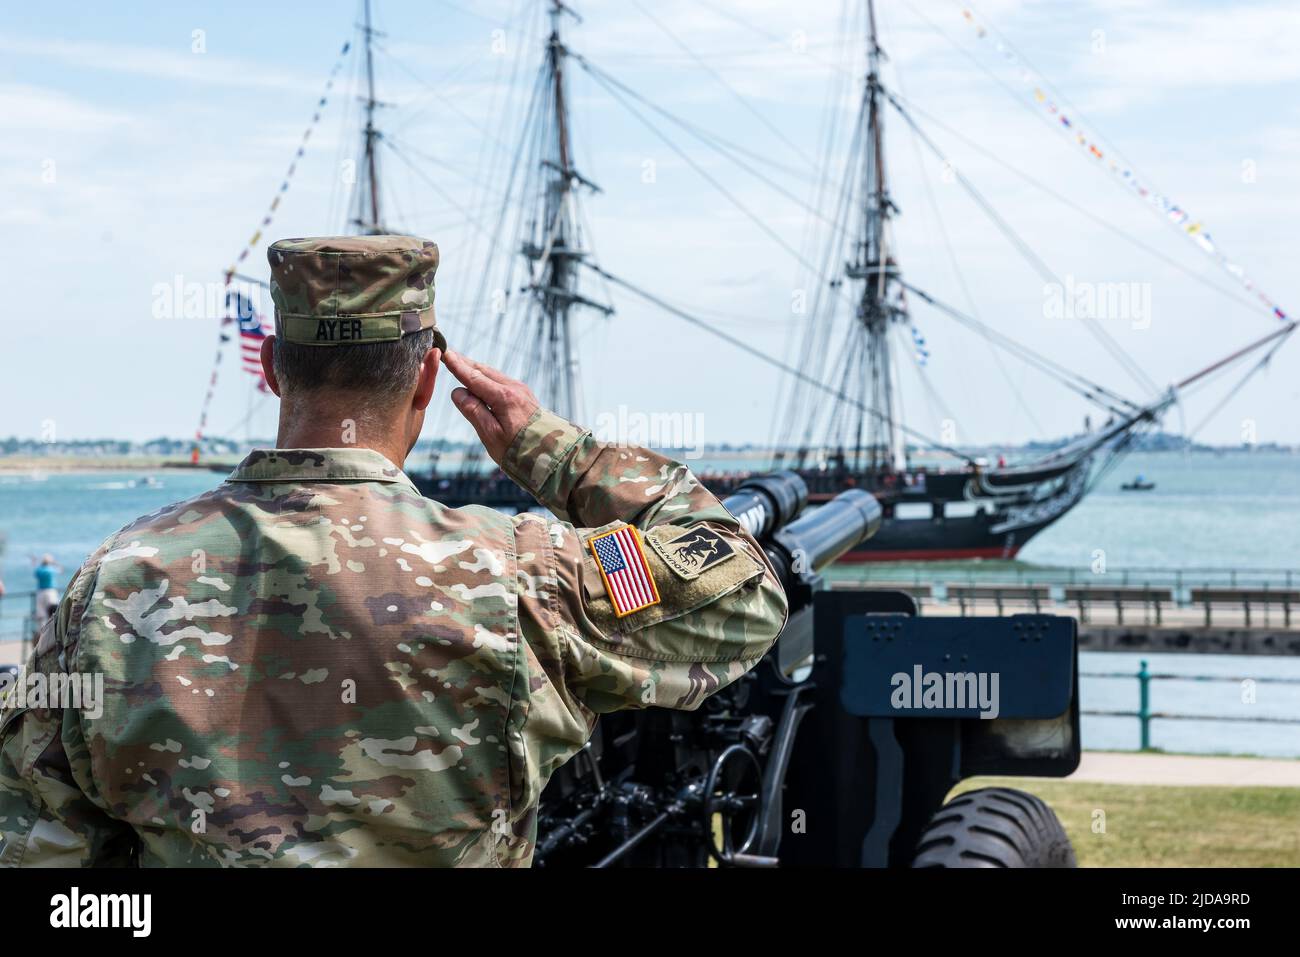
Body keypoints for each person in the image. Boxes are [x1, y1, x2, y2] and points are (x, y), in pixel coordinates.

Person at [0, 235, 787, 867]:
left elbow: (41, 851)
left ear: (272, 369)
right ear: (424, 383)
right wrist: (555, 449)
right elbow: (742, 586)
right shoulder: (517, 575)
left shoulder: (112, 587)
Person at [31, 555, 61, 634]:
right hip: (51, 591)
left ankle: (42, 632)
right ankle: (53, 630)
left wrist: (34, 562)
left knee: (40, 613)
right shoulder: (51, 569)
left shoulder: (39, 570)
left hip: (40, 592)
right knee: (53, 611)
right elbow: (61, 570)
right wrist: (55, 563)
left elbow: (35, 572)